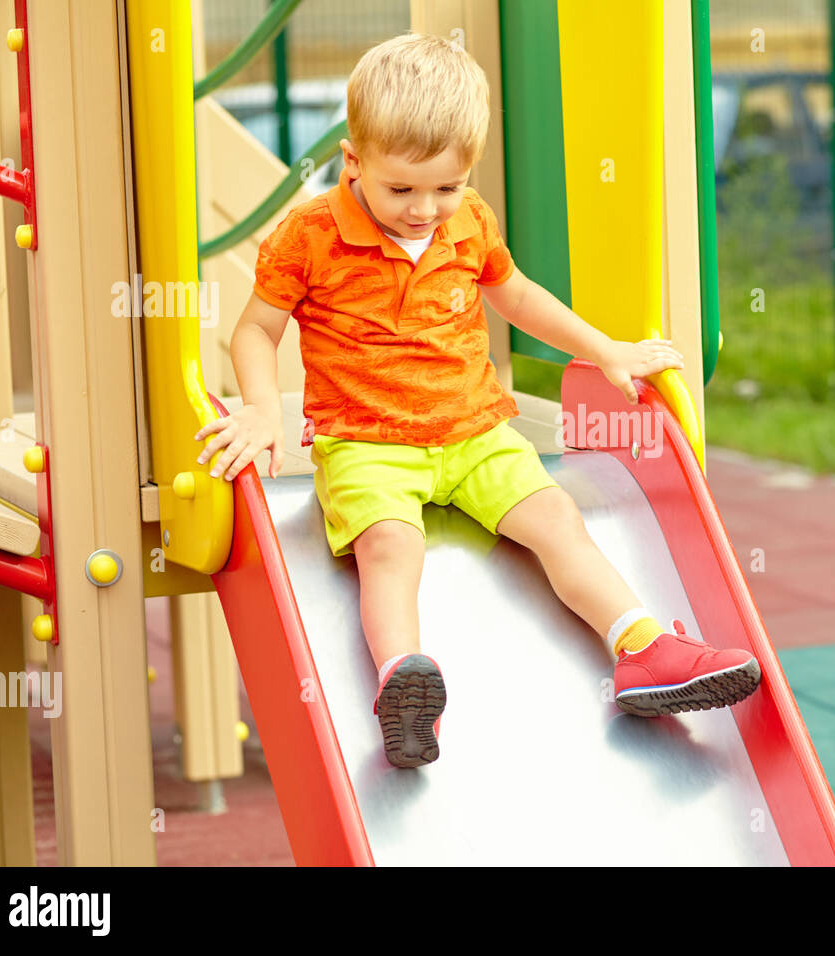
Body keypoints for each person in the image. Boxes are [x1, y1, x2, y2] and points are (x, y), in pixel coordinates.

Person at [193, 33, 761, 768]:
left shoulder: (470, 222)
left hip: (474, 432)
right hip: (367, 441)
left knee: (557, 517)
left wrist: (606, 350)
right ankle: (405, 684)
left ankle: (642, 646)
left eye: (446, 187)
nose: (424, 209)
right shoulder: (307, 237)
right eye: (401, 189)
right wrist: (264, 408)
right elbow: (256, 330)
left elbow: (518, 297)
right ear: (353, 162)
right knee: (391, 545)